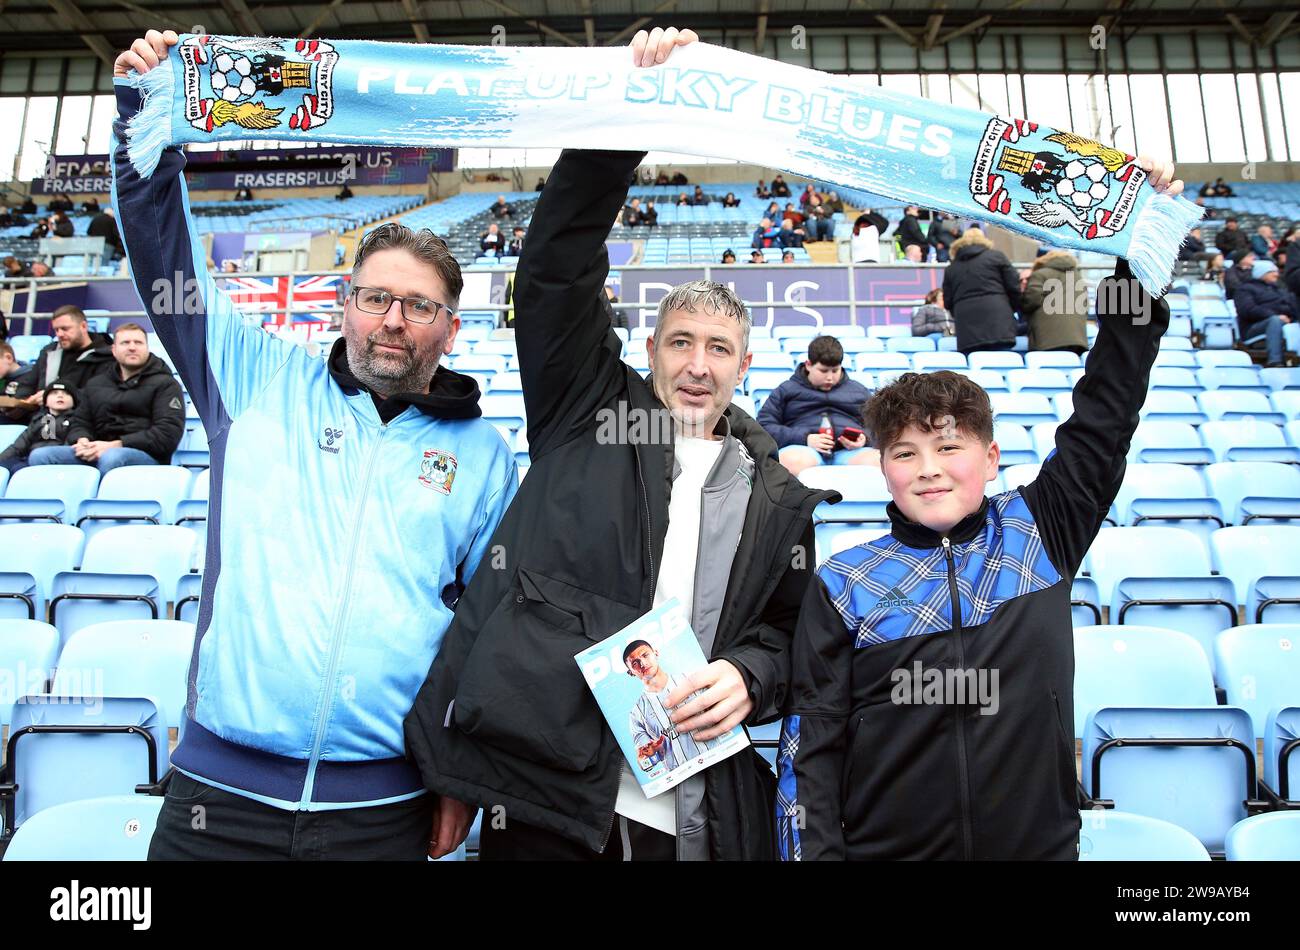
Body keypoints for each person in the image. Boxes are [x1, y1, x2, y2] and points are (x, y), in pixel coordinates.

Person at [404, 24, 832, 865]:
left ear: (746, 365)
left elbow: (788, 637)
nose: (697, 367)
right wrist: (631, 110)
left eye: (718, 350)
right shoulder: (585, 408)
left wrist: (750, 677)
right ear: (649, 350)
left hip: (700, 818)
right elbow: (554, 271)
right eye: (680, 343)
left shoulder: (779, 500)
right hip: (553, 802)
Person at [113, 28, 517, 861]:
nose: (392, 320)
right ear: (345, 304)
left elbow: (488, 631)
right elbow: (164, 261)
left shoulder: (483, 455)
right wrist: (144, 111)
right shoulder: (253, 380)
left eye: (418, 305)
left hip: (385, 807)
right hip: (216, 801)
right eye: (375, 298)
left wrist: (457, 774)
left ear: (451, 326)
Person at [774, 158, 1185, 862]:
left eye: (948, 447)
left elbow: (1109, 403)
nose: (929, 469)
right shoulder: (844, 586)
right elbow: (809, 751)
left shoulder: (1042, 529)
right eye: (904, 453)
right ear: (882, 468)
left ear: (990, 458)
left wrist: (1135, 239)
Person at [28, 323, 185, 474]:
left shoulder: (167, 384)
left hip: (145, 456)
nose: (132, 347)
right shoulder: (96, 383)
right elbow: (80, 422)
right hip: (97, 450)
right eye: (125, 343)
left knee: (112, 458)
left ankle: (98, 500)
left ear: (147, 348)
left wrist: (116, 444)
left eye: (138, 342)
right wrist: (82, 440)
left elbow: (167, 435)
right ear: (114, 350)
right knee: (41, 456)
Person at [757, 334, 875, 476]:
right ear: (808, 365)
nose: (830, 377)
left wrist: (865, 439)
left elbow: (880, 427)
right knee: (790, 462)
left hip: (852, 452)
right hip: (802, 450)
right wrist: (805, 438)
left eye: (835, 370)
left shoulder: (859, 391)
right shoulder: (786, 390)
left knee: (879, 462)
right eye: (823, 371)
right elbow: (763, 427)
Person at [624, 641, 720, 772]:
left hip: (718, 762)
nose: (642, 663)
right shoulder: (636, 713)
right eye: (635, 663)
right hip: (680, 777)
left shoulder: (692, 679)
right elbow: (645, 764)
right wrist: (648, 756)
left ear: (656, 653)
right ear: (630, 672)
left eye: (645, 655)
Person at [18, 305, 114, 421]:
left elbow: (98, 393)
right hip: (38, 417)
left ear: (83, 326)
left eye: (65, 329)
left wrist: (52, 397)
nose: (59, 334)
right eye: (56, 330)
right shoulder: (49, 352)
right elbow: (27, 383)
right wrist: (25, 400)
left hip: (78, 420)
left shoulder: (106, 355)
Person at [942, 228, 1021, 355]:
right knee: (1003, 363)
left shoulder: (952, 268)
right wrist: (1012, 307)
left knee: (975, 366)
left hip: (966, 324)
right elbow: (1014, 286)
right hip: (998, 318)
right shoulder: (997, 257)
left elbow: (947, 301)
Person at [0, 381, 76, 475]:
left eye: (67, 394)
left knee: (19, 470)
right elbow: (18, 446)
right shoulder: (38, 420)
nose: (60, 396)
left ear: (74, 402)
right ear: (46, 401)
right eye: (54, 393)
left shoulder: (76, 420)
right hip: (29, 458)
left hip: (54, 463)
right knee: (5, 466)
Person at [1022, 250, 1088, 354]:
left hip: (1048, 339)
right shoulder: (1077, 277)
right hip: (1077, 340)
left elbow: (1031, 301)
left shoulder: (1040, 274)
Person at [1233, 261, 1297, 367]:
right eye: (1272, 271)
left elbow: (1290, 305)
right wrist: (1274, 315)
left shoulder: (1279, 289)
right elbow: (1248, 310)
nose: (1276, 274)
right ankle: (1275, 361)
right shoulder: (1245, 289)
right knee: (1275, 321)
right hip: (1252, 328)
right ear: (1261, 273)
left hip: (1283, 321)